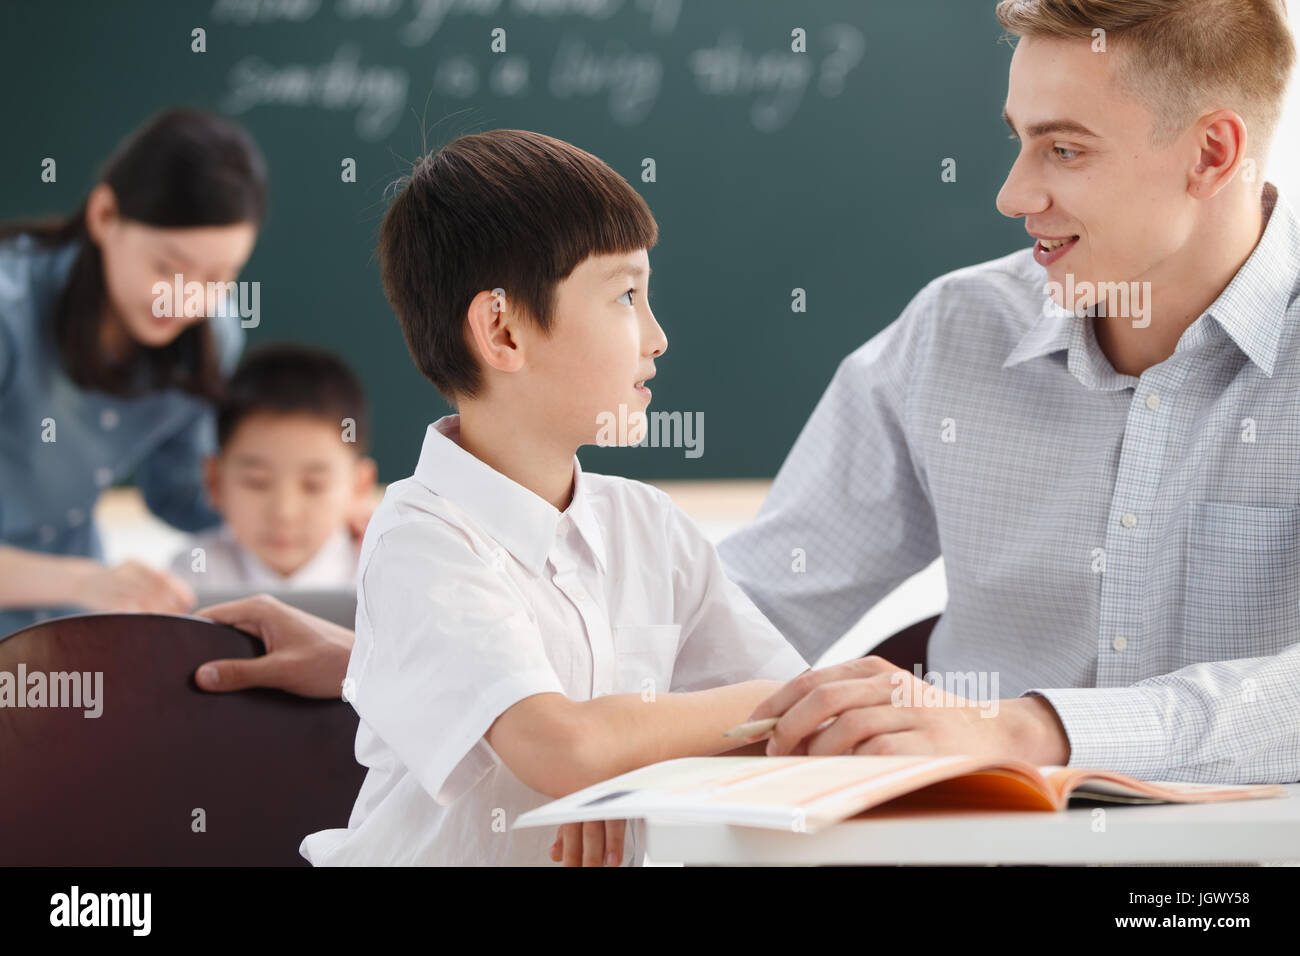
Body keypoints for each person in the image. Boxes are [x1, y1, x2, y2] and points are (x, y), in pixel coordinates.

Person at [196, 0, 1300, 791]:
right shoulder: (956, 333)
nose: (1013, 193)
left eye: (1064, 148)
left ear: (1211, 152)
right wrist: (408, 660)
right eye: (1016, 142)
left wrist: (1025, 727)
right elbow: (734, 613)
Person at [294, 130, 810, 866]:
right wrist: (610, 754)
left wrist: (634, 767)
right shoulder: (422, 540)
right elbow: (559, 746)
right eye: (626, 296)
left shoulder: (650, 527)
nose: (657, 338)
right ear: (502, 330)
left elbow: (798, 731)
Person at [0, 108, 266, 636]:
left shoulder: (210, 334)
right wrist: (82, 582)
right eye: (168, 267)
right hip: (72, 596)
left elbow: (180, 495)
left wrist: (290, 504)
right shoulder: (10, 310)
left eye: (218, 277)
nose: (188, 297)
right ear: (103, 215)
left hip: (70, 627)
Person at [169, 343, 376, 595]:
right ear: (214, 481)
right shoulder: (191, 577)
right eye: (257, 482)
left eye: (314, 485)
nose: (284, 512)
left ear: (359, 487)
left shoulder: (380, 572)